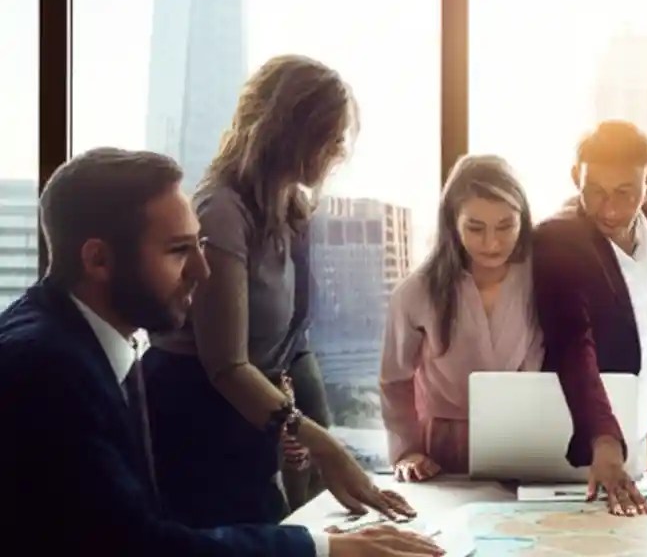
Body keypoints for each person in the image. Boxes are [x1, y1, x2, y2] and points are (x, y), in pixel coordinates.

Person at [0, 148, 441, 557]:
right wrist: (325, 549)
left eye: (201, 246)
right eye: (178, 251)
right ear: (98, 260)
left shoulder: (82, 340)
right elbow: (137, 546)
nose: (203, 271)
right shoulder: (45, 371)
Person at [143, 54, 400, 527]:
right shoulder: (221, 210)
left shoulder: (293, 210)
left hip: (251, 420)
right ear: (289, 132)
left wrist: (324, 449)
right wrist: (319, 441)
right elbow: (226, 365)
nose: (338, 151)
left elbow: (295, 343)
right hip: (193, 418)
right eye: (330, 136)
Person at [533, 120, 647, 517]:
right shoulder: (558, 240)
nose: (610, 209)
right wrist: (603, 439)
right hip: (587, 445)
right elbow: (572, 343)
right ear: (574, 178)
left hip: (636, 441)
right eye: (594, 192)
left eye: (625, 192)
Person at [380, 154, 544, 480]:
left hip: (520, 437)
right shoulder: (418, 291)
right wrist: (407, 451)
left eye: (505, 226)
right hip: (440, 447)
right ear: (453, 223)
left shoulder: (540, 279)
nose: (492, 243)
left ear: (522, 220)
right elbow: (395, 381)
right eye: (475, 227)